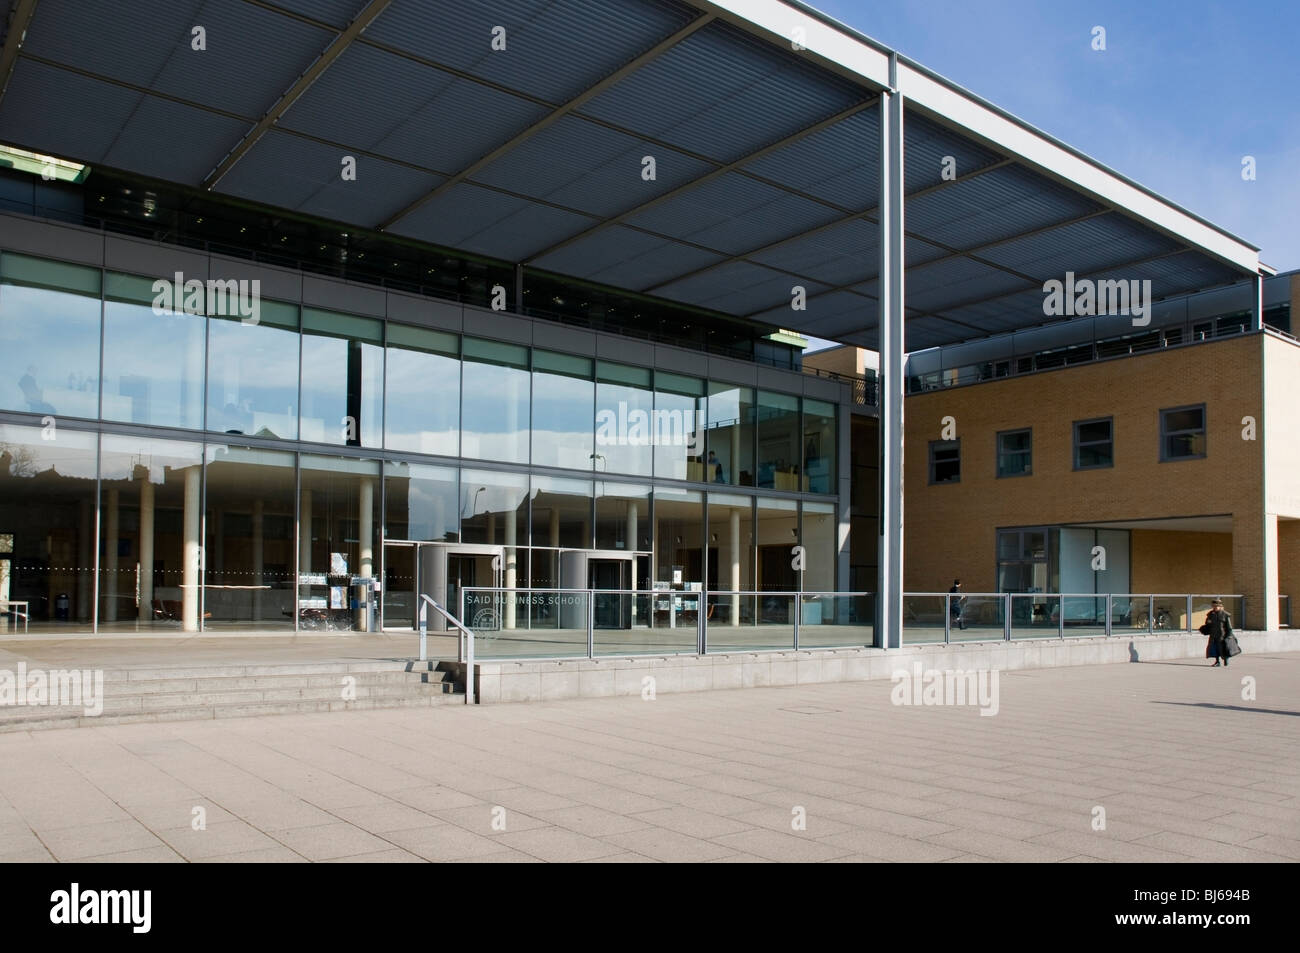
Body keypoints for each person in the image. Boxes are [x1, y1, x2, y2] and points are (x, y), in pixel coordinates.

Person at [1203, 598, 1235, 667]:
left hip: (1222, 635)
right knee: (1215, 649)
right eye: (1213, 606)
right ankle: (1217, 661)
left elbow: (1229, 627)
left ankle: (1226, 659)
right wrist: (1208, 622)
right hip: (1213, 635)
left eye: (1216, 606)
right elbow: (1207, 623)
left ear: (1220, 606)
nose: (1215, 607)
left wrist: (1229, 635)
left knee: (1224, 648)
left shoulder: (1225, 614)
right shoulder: (1210, 614)